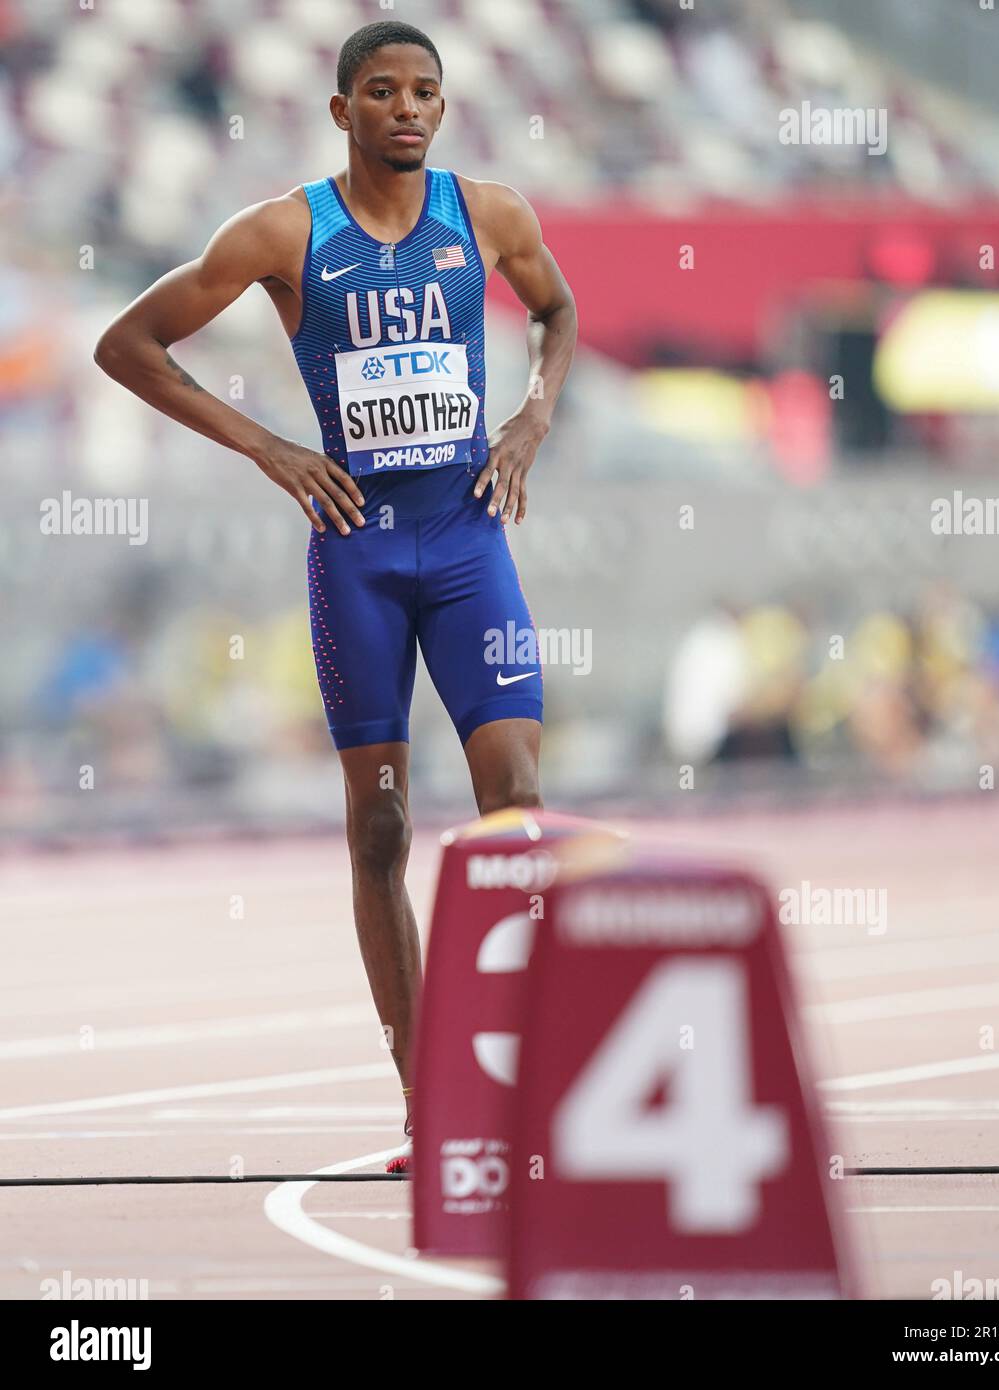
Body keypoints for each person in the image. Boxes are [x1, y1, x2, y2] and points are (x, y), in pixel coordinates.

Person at [94, 20, 577, 1173]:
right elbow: (130, 344)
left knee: (514, 801)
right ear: (341, 109)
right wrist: (270, 449)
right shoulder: (281, 231)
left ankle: (536, 1069)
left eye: (425, 92)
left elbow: (556, 313)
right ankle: (431, 1096)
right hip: (356, 548)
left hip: (468, 544)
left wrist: (532, 414)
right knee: (381, 827)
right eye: (381, 91)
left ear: (443, 110)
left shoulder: (492, 214)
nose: (406, 109)